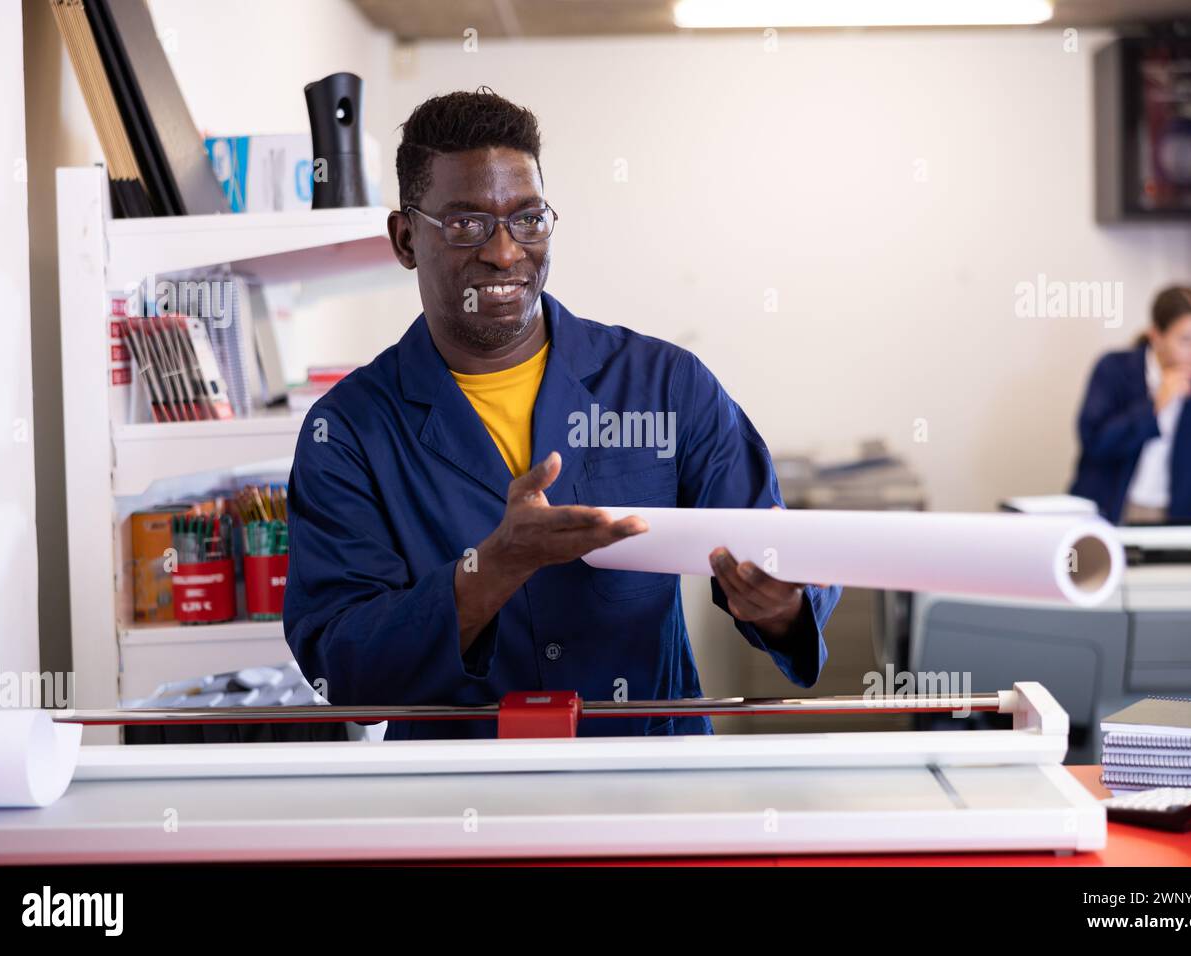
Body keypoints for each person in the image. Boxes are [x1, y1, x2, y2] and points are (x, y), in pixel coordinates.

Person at [283, 89, 841, 740]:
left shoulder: (663, 385)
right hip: (460, 802)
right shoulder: (348, 431)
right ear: (406, 239)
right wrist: (493, 568)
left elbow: (772, 548)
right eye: (466, 224)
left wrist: (783, 603)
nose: (504, 252)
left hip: (651, 791)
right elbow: (345, 671)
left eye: (528, 219)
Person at [1070, 284, 1191, 524]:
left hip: (1175, 521)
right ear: (1157, 336)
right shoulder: (1113, 371)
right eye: (1187, 340)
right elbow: (1095, 441)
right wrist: (1154, 406)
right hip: (1111, 514)